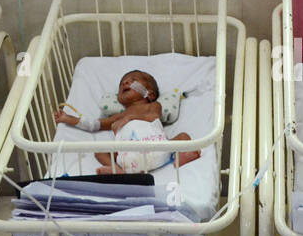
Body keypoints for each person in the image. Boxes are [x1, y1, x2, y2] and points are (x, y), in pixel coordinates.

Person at [53, 69, 199, 174]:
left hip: (158, 147)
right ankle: (117, 169)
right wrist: (68, 119)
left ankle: (184, 155)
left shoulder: (153, 106)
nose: (125, 83)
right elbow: (94, 125)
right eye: (122, 84)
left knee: (184, 137)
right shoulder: (119, 116)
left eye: (133, 80)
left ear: (150, 94)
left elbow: (152, 117)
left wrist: (130, 118)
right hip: (130, 158)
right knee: (99, 151)